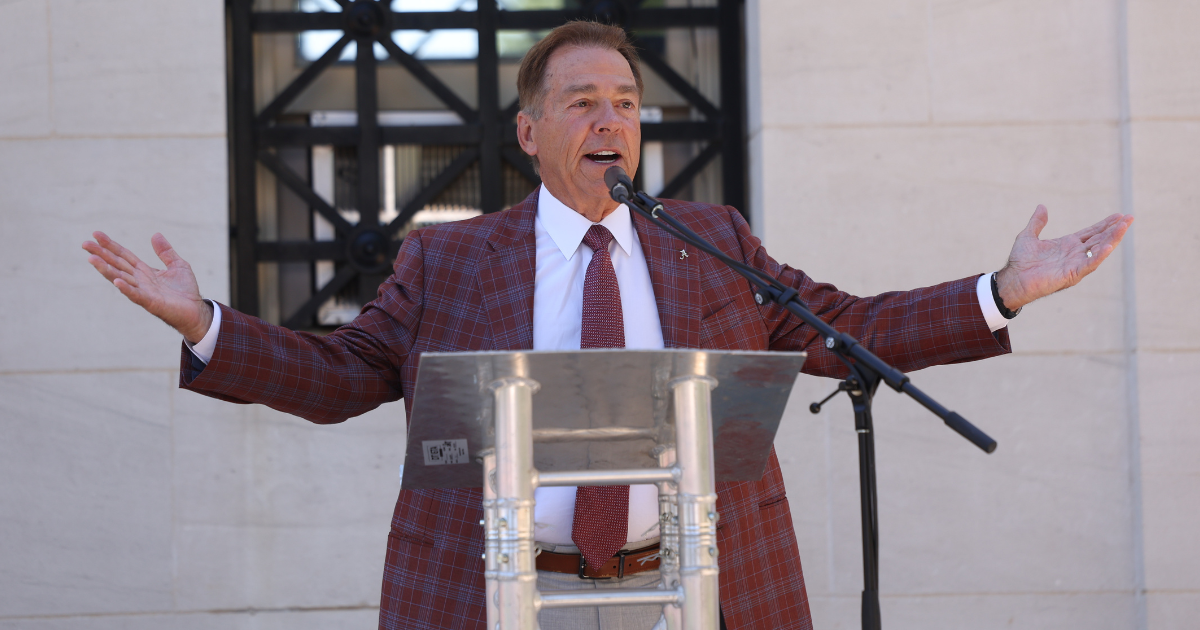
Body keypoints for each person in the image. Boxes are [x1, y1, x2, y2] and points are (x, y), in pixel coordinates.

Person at [82, 20, 1132, 630]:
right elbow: (349, 371)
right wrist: (207, 323)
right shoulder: (451, 257)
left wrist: (999, 290)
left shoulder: (709, 238)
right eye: (582, 101)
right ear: (531, 131)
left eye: (626, 101)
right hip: (496, 596)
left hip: (701, 595)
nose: (611, 119)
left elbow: (840, 324)